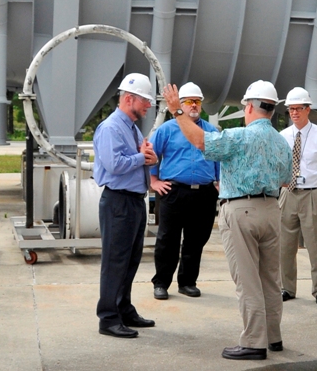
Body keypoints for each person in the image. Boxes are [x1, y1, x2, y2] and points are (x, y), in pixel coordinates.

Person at [162, 79, 292, 361]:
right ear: (271, 109)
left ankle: (254, 342)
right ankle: (273, 337)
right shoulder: (282, 142)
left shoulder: (238, 136)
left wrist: (177, 111)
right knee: (270, 279)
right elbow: (285, 179)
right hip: (272, 209)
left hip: (241, 210)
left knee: (247, 280)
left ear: (249, 107)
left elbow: (200, 141)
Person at [93, 72, 159, 338]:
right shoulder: (111, 128)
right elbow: (114, 164)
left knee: (130, 260)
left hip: (133, 202)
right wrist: (141, 158)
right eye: (145, 100)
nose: (148, 105)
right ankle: (108, 318)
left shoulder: (131, 127)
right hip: (118, 202)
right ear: (129, 98)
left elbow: (138, 157)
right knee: (115, 261)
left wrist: (149, 158)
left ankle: (123, 308)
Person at [149, 81, 220, 300]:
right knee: (167, 240)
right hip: (174, 192)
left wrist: (219, 184)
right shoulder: (167, 130)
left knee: (196, 240)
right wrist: (154, 181)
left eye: (197, 101)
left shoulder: (211, 131)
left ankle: (187, 282)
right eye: (189, 101)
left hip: (204, 193)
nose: (194, 105)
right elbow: (151, 155)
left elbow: (219, 160)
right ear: (180, 104)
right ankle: (161, 283)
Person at [279, 86, 317, 306]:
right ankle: (286, 287)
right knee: (285, 245)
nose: (294, 113)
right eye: (291, 109)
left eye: (298, 108)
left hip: (313, 194)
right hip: (288, 193)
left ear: (308, 109)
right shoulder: (283, 136)